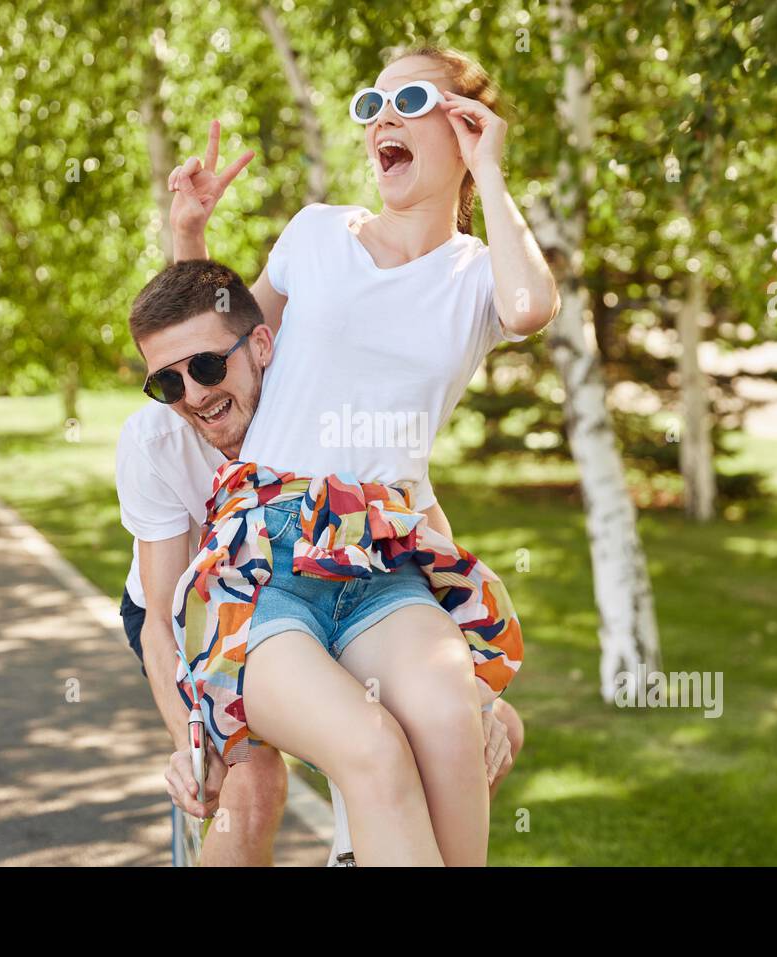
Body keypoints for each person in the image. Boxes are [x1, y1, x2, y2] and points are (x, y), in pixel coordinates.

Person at [153, 44, 558, 866]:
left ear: (464, 126)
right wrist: (188, 235)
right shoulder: (317, 234)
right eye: (370, 106)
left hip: (382, 564)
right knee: (373, 749)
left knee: (452, 719)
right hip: (264, 566)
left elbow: (530, 306)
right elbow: (215, 358)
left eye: (409, 99)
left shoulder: (474, 276)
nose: (382, 119)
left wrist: (495, 171)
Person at [116, 261, 524, 866]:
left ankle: (360, 851)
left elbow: (415, 516)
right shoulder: (155, 443)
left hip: (332, 581)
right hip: (194, 611)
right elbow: (161, 621)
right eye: (167, 385)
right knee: (249, 788)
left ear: (261, 349)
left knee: (485, 733)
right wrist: (193, 747)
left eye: (205, 367)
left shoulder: (318, 400)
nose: (194, 395)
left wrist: (475, 687)